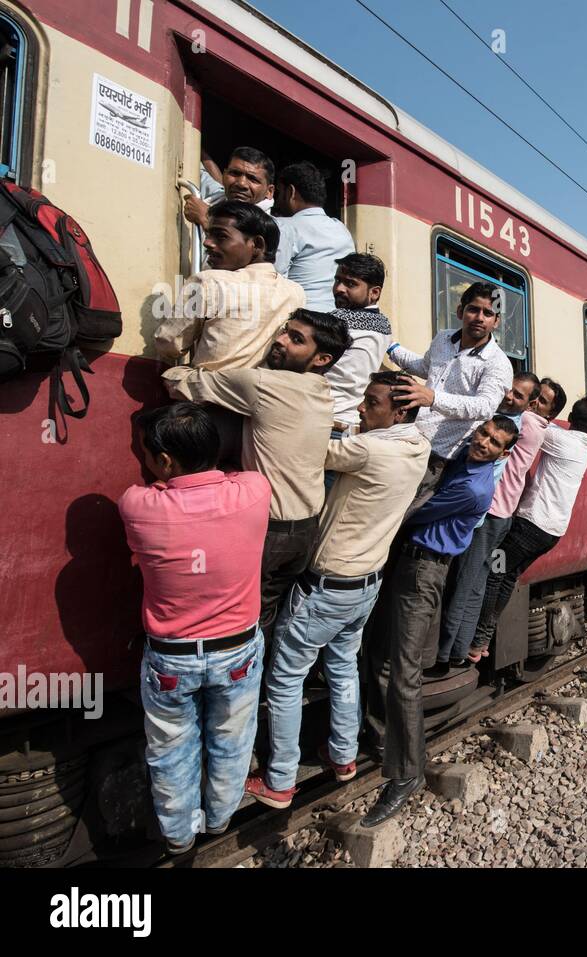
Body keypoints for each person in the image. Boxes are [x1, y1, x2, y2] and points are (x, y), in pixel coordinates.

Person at [244, 372, 431, 809]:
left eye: (371, 402)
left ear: (399, 410)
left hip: (326, 587)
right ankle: (343, 755)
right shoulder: (417, 446)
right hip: (366, 585)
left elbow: (311, 452)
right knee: (343, 667)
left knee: (286, 680)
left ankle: (280, 780)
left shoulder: (367, 449)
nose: (362, 409)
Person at [118, 403, 271, 854]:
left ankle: (178, 835)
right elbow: (239, 476)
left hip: (172, 657)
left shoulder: (137, 504)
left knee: (169, 749)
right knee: (231, 739)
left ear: (165, 462)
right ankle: (220, 818)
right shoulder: (254, 490)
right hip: (238, 650)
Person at [359, 415, 519, 826]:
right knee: (379, 657)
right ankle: (381, 739)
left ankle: (406, 773)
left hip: (423, 573)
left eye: (494, 442)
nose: (483, 443)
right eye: (483, 433)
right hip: (411, 566)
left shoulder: (474, 487)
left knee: (402, 670)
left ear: (504, 453)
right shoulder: (466, 458)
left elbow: (415, 513)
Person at [163, 310, 348, 635]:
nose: (279, 340)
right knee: (268, 618)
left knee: (238, 624)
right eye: (284, 331)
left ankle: (243, 683)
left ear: (321, 358)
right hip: (305, 531)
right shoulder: (322, 389)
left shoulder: (262, 383)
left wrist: (183, 364)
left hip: (268, 533)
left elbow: (177, 384)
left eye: (295, 339)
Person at [436, 375, 560, 669]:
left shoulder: (522, 424)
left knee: (465, 582)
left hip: (491, 515)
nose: (508, 396)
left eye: (539, 400)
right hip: (504, 516)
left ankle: (444, 655)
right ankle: (463, 648)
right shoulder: (539, 428)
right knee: (479, 583)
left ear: (537, 407)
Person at [468, 398, 587, 659]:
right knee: (508, 575)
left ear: (570, 417)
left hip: (531, 527)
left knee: (496, 570)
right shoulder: (584, 447)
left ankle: (478, 640)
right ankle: (483, 640)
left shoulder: (563, 440)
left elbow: (532, 423)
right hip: (550, 533)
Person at [387, 281, 515, 518]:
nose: (479, 317)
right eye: (473, 309)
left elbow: (485, 407)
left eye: (488, 313)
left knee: (396, 519)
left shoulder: (498, 363)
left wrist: (433, 398)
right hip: (403, 435)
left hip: (434, 456)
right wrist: (391, 347)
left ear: (496, 322)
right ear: (460, 311)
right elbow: (426, 367)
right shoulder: (444, 338)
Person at [154, 200, 306, 372]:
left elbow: (169, 345)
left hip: (208, 392)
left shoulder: (208, 282)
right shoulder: (295, 292)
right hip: (263, 393)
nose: (207, 243)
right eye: (209, 235)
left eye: (221, 236)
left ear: (257, 244)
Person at [324, 254, 392, 447]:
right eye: (337, 280)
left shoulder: (338, 321)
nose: (339, 289)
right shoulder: (384, 325)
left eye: (350, 284)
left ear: (374, 293)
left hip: (326, 425)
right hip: (351, 427)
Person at [269, 162, 356, 312]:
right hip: (337, 321)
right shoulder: (342, 229)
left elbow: (273, 280)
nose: (277, 200)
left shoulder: (284, 226)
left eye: (279, 193)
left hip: (300, 321)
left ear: (291, 192)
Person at [184, 146, 276, 231]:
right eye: (235, 173)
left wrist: (207, 218)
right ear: (224, 175)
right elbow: (198, 170)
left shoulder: (269, 228)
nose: (241, 184)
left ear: (269, 191)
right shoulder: (217, 197)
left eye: (253, 179)